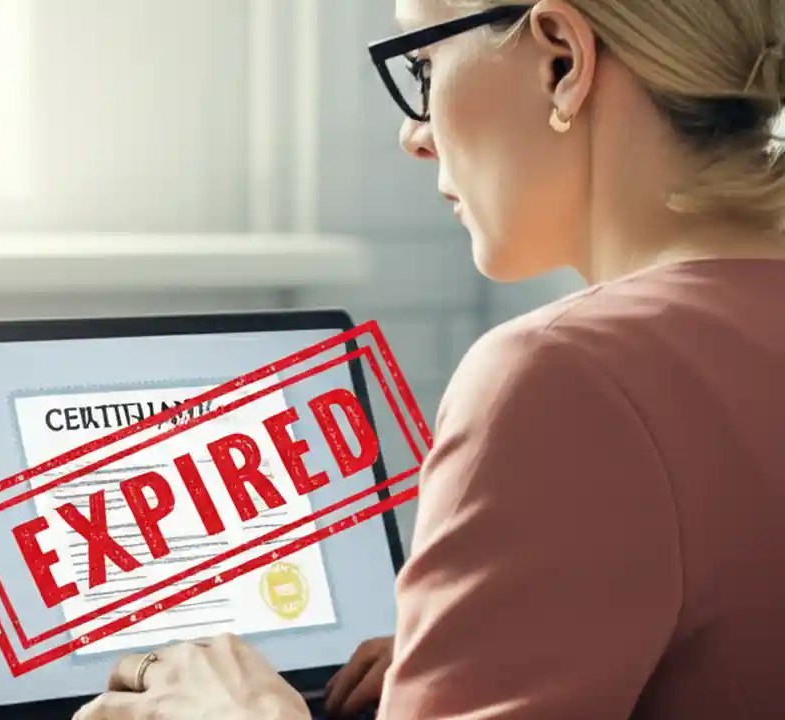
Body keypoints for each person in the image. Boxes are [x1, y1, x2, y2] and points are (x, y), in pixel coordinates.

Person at [72, 0, 785, 717]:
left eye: (424, 67)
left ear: (561, 60)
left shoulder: (561, 377)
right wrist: (473, 653)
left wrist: (244, 710)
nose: (415, 137)